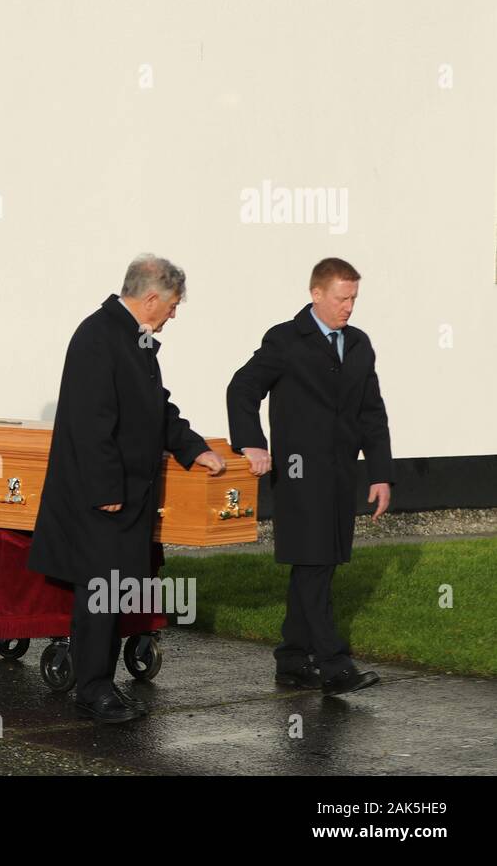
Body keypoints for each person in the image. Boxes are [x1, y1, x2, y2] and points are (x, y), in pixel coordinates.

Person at [28, 254, 224, 724]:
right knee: (101, 592)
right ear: (152, 297)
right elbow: (92, 421)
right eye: (173, 305)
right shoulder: (99, 336)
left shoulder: (133, 338)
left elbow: (157, 408)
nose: (174, 314)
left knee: (113, 593)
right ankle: (93, 690)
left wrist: (193, 448)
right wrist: (106, 487)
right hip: (102, 498)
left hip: (127, 496)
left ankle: (100, 684)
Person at [226, 257, 392, 696]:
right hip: (299, 476)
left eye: (354, 298)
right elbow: (242, 387)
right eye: (341, 298)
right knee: (316, 564)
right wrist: (252, 442)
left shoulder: (359, 344)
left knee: (318, 563)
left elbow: (372, 412)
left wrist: (380, 474)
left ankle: (293, 659)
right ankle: (334, 665)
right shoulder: (285, 340)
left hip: (340, 476)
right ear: (316, 294)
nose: (349, 307)